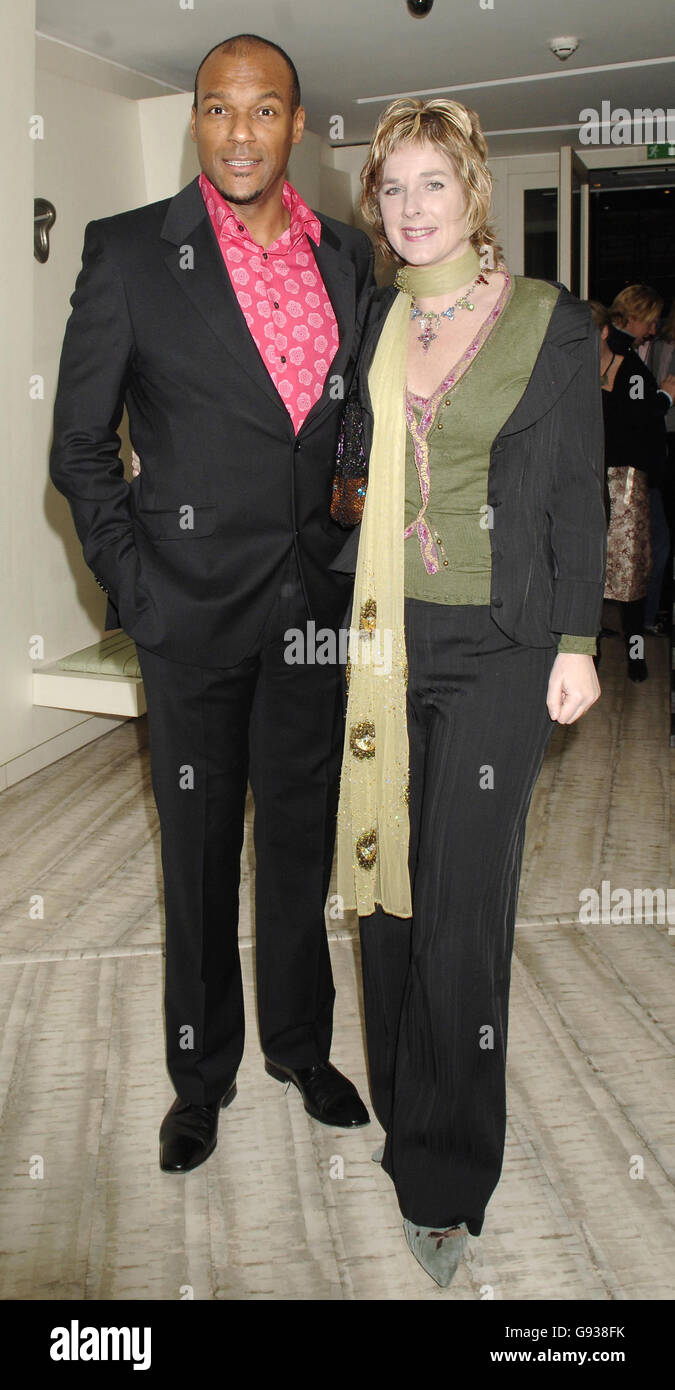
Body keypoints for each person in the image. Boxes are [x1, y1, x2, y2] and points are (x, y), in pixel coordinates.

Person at [49, 34, 376, 1174]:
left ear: (297, 123)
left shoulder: (347, 257)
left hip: (312, 613)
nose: (242, 132)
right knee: (196, 856)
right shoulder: (133, 253)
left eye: (266, 109)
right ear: (197, 121)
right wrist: (136, 593)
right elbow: (79, 447)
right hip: (187, 615)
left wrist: (351, 538)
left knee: (299, 843)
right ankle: (202, 1078)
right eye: (219, 109)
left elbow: (352, 424)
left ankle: (298, 1045)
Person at [329, 97, 606, 1287]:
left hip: (501, 643)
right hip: (388, 636)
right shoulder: (381, 315)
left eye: (430, 183)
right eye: (390, 188)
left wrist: (580, 638)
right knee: (386, 887)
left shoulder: (550, 322)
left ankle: (446, 1172)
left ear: (473, 191)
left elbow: (578, 494)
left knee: (458, 904)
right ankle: (406, 1099)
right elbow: (339, 462)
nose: (409, 207)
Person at [598, 287, 673, 680]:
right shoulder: (625, 363)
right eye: (651, 318)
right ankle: (634, 655)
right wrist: (666, 396)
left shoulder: (623, 359)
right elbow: (637, 417)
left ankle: (611, 654)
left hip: (618, 479)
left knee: (614, 575)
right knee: (631, 578)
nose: (655, 327)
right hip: (624, 484)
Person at [645, 303, 675, 633]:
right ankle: (653, 614)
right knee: (661, 538)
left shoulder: (655, 346)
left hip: (661, 445)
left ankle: (656, 612)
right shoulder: (660, 347)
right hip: (663, 445)